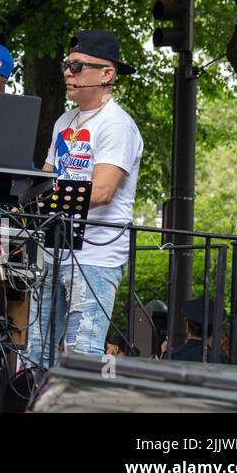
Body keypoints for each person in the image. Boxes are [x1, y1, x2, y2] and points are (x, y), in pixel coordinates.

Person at [25, 30, 143, 366]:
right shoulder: (64, 120)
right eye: (66, 64)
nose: (66, 72)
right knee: (35, 352)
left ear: (107, 74)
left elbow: (103, 191)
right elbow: (46, 177)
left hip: (96, 256)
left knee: (83, 355)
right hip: (54, 250)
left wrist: (45, 200)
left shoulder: (117, 125)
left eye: (76, 66)